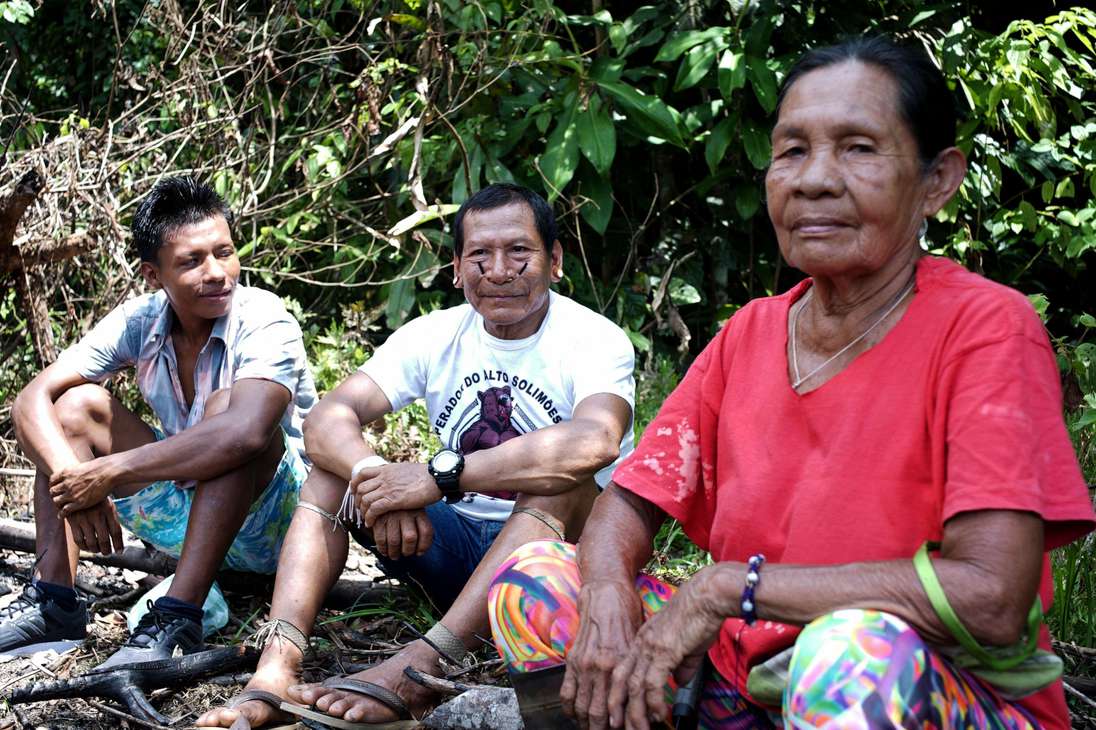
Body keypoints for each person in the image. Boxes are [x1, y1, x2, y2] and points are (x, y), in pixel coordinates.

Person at [487, 37, 1095, 730]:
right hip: (745, 682)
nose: (815, 180)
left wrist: (727, 588)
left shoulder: (986, 328)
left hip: (924, 690)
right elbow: (627, 502)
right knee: (538, 581)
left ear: (937, 180)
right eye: (793, 150)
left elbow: (990, 596)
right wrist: (603, 593)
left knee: (849, 657)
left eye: (859, 148)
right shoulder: (752, 331)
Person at [196, 183, 635, 728]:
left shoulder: (594, 339)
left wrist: (438, 478)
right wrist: (377, 477)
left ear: (555, 260)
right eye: (480, 255)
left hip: (554, 568)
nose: (500, 271)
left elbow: (596, 440)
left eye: (520, 251)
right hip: (455, 548)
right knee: (332, 476)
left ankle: (423, 666)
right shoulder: (434, 335)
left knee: (564, 483)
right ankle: (276, 667)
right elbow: (328, 416)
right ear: (457, 269)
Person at [6, 176, 315, 669]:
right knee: (74, 408)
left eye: (225, 252)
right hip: (194, 514)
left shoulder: (264, 318)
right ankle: (54, 604)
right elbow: (30, 400)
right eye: (192, 261)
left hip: (279, 524)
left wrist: (107, 473)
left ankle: (178, 616)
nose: (217, 273)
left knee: (228, 411)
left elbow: (247, 433)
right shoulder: (140, 320)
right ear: (153, 275)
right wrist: (74, 480)